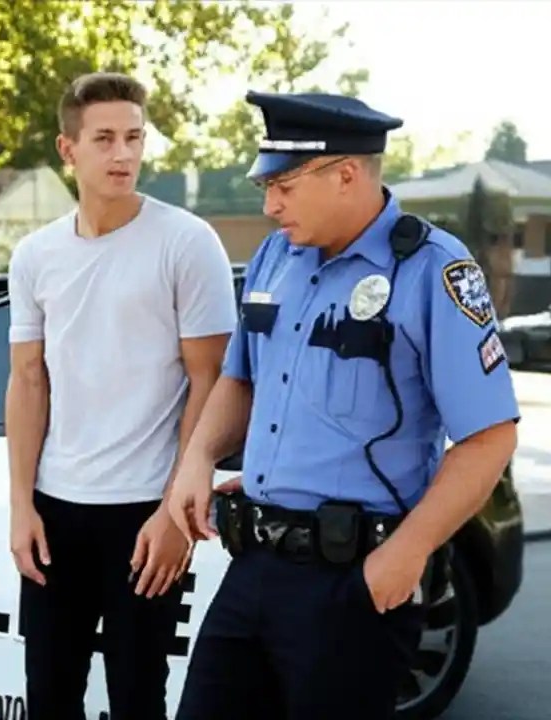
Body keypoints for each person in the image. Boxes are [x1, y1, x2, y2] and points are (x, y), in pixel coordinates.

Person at [167, 90, 521, 720]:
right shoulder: (279, 254)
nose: (269, 203)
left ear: (347, 175)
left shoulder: (433, 271)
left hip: (352, 584)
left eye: (284, 185)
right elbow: (238, 379)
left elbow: (489, 438)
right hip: (253, 565)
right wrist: (197, 459)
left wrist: (407, 552)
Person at [6, 71, 238, 719]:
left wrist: (174, 516)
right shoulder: (34, 255)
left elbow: (212, 381)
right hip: (56, 510)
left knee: (138, 695)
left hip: (144, 511)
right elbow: (28, 382)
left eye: (134, 137)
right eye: (104, 139)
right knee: (49, 695)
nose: (124, 154)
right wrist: (21, 506)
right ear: (67, 149)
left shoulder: (186, 243)